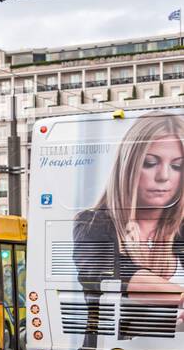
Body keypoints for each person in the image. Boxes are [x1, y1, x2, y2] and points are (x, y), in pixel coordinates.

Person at [74, 112, 184, 299]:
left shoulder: (180, 229)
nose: (163, 176)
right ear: (129, 165)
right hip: (117, 329)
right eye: (150, 163)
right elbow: (115, 274)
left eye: (177, 166)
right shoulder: (93, 223)